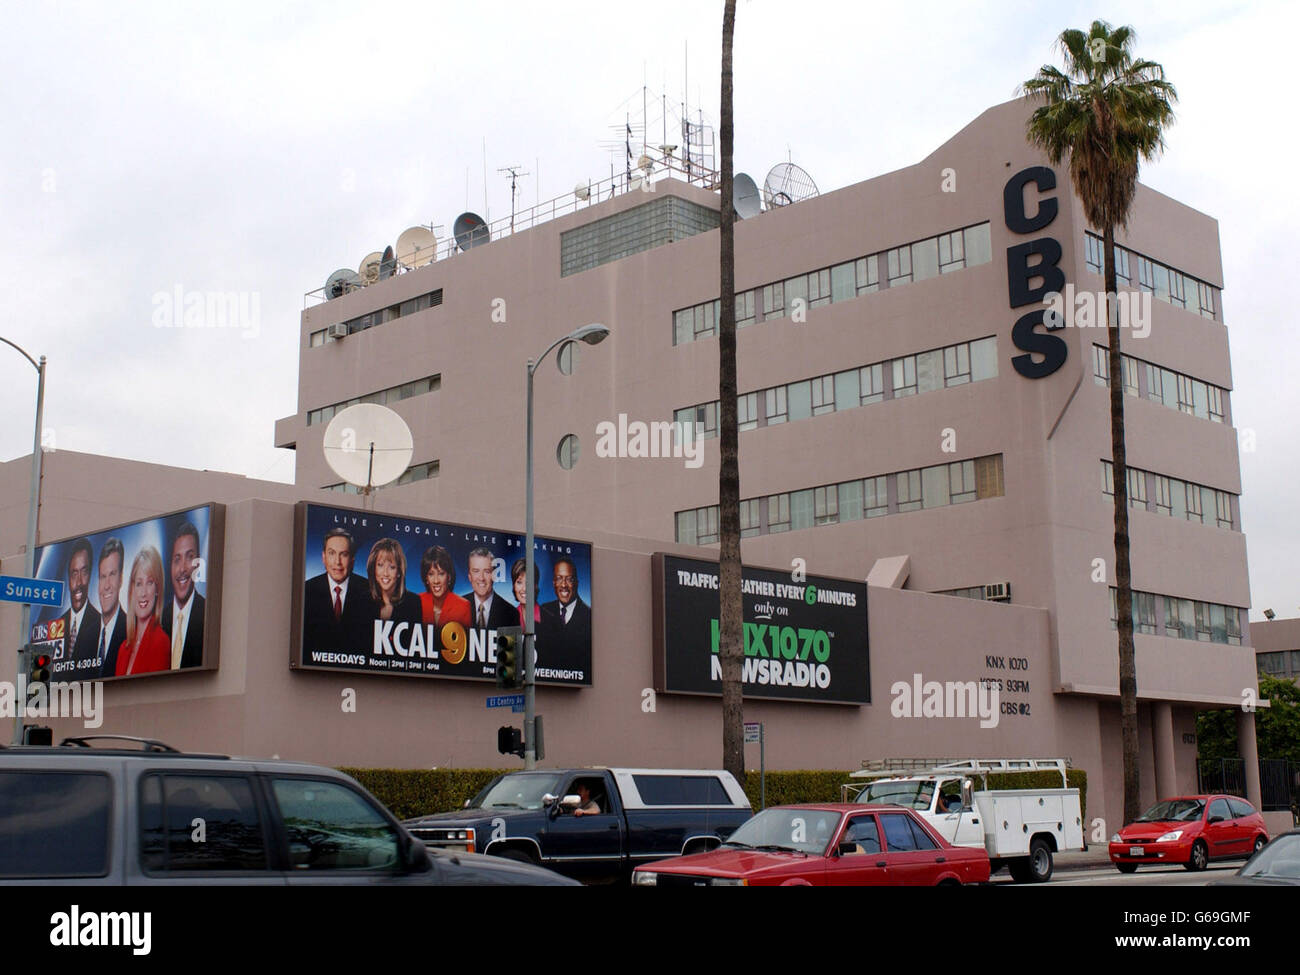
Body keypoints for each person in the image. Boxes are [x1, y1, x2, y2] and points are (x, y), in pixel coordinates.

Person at [303, 527, 373, 654]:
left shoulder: (370, 591)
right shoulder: (306, 591)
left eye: (344, 554)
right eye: (332, 553)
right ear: (323, 557)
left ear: (352, 560)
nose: (337, 562)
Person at [115, 546, 171, 676]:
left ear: (157, 589)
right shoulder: (123, 649)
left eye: (150, 583)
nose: (143, 593)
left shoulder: (160, 642)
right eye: (139, 584)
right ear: (132, 589)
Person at [160, 522, 205, 670]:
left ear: (198, 564)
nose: (182, 569)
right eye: (177, 559)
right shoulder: (158, 621)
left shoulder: (209, 616)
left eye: (189, 557)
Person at [538, 556, 591, 671]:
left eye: (569, 579)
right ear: (553, 583)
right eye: (559, 578)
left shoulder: (589, 616)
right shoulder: (544, 611)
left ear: (576, 582)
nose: (563, 585)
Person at [60, 537, 102, 670]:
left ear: (90, 575)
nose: (79, 583)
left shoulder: (101, 624)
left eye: (84, 572)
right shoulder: (58, 625)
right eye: (74, 573)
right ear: (68, 577)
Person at [366, 538, 421, 626]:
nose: (385, 573)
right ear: (373, 569)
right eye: (380, 565)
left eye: (392, 567)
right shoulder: (362, 601)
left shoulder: (413, 603)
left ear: (399, 572)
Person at [419, 545, 472, 637]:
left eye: (441, 574)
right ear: (426, 578)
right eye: (431, 574)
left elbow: (465, 646)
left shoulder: (463, 606)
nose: (436, 581)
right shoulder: (417, 602)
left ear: (449, 577)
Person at [95, 538, 128, 678]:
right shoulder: (85, 634)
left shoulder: (131, 630)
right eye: (103, 577)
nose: (107, 585)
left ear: (121, 579)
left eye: (112, 575)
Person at [461, 547, 516, 630]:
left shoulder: (511, 613)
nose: (481, 578)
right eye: (476, 571)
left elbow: (511, 643)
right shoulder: (458, 607)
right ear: (469, 576)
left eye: (487, 571)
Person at [511, 557, 541, 629]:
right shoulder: (510, 617)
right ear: (514, 586)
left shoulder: (547, 618)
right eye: (519, 582)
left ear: (535, 585)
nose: (524, 589)